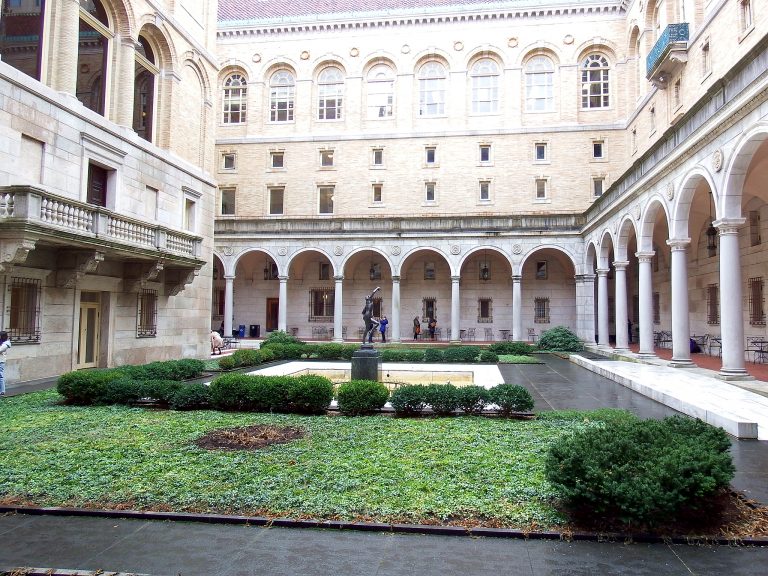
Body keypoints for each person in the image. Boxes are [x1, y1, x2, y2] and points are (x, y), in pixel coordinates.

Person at [0, 331, 11, 397]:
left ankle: (2, 391)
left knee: (0, 376)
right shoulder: (1, 342)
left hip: (1, 361)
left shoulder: (5, 344)